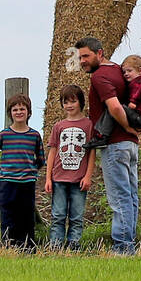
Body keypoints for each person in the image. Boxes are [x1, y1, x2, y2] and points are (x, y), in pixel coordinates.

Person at [76, 37, 139, 256]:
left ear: (99, 53)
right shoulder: (119, 71)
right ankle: (129, 244)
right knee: (130, 196)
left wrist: (128, 127)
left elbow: (114, 107)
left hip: (115, 144)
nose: (82, 61)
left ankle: (122, 248)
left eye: (86, 56)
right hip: (130, 147)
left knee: (119, 198)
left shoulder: (100, 76)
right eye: (80, 57)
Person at [0, 94, 45, 249]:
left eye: (22, 109)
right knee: (8, 217)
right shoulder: (4, 135)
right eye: (15, 109)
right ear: (10, 113)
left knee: (26, 217)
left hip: (27, 183)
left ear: (29, 112)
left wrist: (31, 171)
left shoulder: (34, 135)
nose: (19, 112)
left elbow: (41, 159)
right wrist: (0, 172)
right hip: (7, 183)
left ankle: (27, 248)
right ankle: (8, 248)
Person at [45, 84, 95, 250]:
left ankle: (74, 244)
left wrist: (88, 176)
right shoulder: (58, 126)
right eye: (66, 102)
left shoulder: (89, 125)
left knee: (77, 215)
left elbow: (91, 153)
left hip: (79, 179)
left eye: (73, 101)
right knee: (58, 214)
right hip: (59, 177)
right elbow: (53, 152)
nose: (69, 105)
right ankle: (56, 245)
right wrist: (48, 178)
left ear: (80, 102)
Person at [88, 54, 141, 147]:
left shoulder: (138, 83)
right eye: (124, 72)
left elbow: (136, 94)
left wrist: (132, 103)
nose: (126, 74)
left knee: (113, 109)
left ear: (140, 70)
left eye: (129, 71)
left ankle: (102, 136)